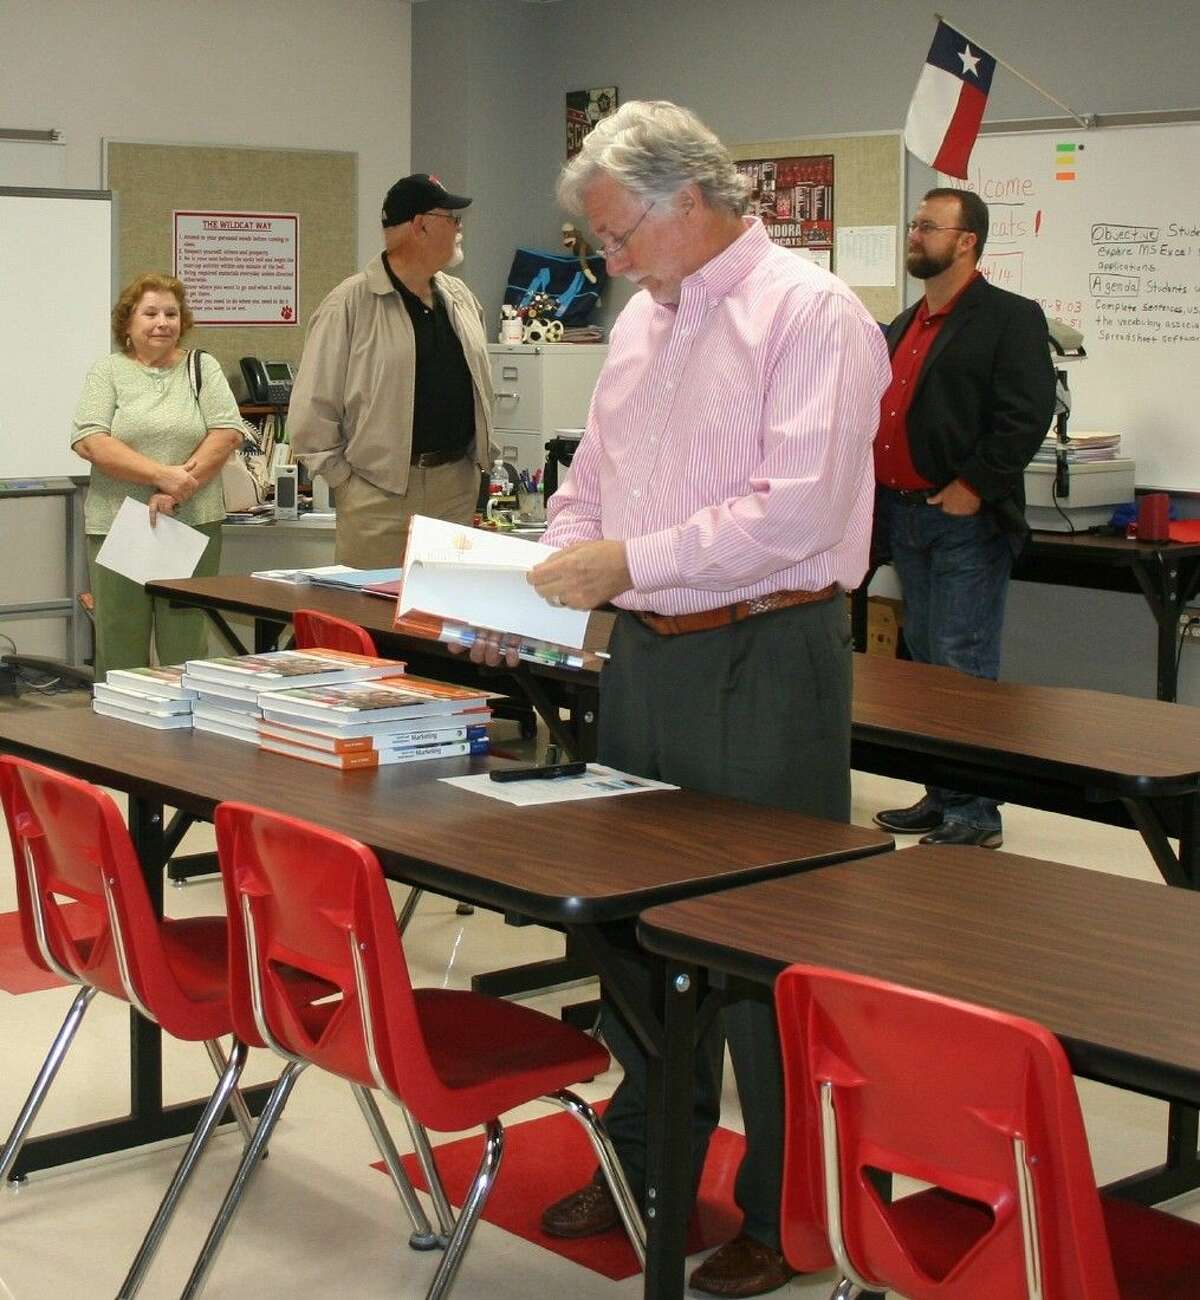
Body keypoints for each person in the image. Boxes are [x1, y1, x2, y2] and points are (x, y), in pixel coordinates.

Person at [468, 101, 888, 1298]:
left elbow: (795, 514)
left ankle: (783, 1210)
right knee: (637, 933)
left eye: (612, 235)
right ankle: (649, 1158)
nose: (603, 261)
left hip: (765, 654)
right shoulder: (641, 323)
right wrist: (555, 564)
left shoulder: (810, 316)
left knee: (762, 948)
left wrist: (626, 563)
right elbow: (592, 480)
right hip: (645, 653)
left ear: (683, 202)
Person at [871, 188, 1055, 849]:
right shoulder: (906, 323)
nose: (914, 234)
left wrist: (974, 485)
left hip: (963, 522)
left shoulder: (1009, 318)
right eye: (914, 223)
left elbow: (1025, 415)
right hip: (906, 518)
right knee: (925, 662)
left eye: (928, 226)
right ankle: (943, 795)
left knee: (962, 665)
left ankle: (976, 814)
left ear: (967, 240)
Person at [289, 173, 494, 569]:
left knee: (440, 624)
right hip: (377, 499)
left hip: (454, 490)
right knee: (372, 621)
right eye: (451, 218)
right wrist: (347, 486)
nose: (458, 228)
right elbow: (311, 412)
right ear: (421, 226)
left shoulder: (460, 298)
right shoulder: (349, 304)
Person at [71, 273, 243, 680]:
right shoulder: (108, 372)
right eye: (150, 313)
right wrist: (163, 476)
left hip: (191, 523)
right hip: (118, 524)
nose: (162, 322)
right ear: (127, 324)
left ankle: (185, 734)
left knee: (185, 642)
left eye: (171, 313)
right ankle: (118, 738)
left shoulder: (203, 367)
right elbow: (90, 440)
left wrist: (178, 491)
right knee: (120, 642)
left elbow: (226, 432)